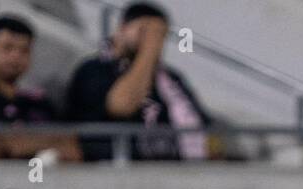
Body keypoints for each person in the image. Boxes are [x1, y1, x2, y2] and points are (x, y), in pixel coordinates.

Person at [66, 2, 212, 161]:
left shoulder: (171, 79)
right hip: (112, 169)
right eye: (145, 31)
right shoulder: (94, 69)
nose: (154, 41)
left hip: (173, 169)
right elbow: (122, 105)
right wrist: (148, 50)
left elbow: (202, 126)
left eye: (159, 35)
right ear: (122, 28)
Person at [0, 15, 80, 162]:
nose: (15, 56)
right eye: (7, 48)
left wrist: (13, 143)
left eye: (24, 50)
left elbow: (71, 148)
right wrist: (44, 142)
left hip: (35, 181)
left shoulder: (41, 102)